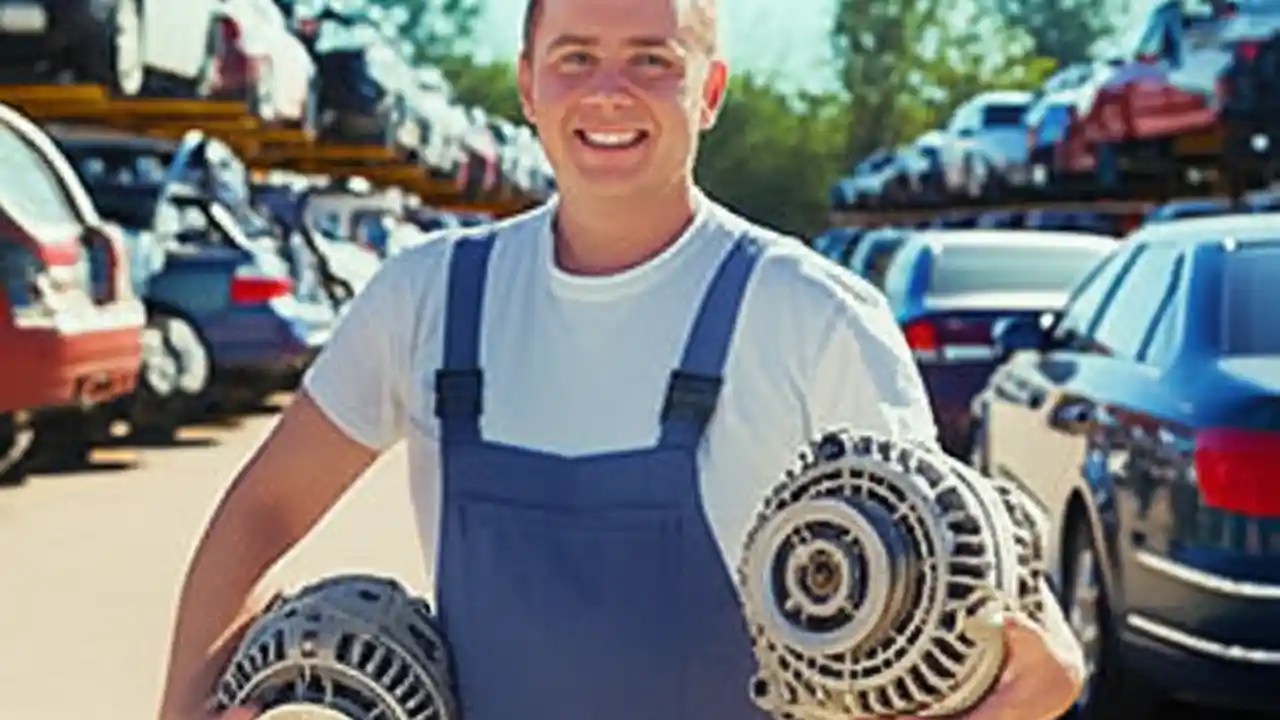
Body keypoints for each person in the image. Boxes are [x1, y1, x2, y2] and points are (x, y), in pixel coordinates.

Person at [158, 0, 1087, 718]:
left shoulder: (813, 317)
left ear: (709, 92)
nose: (609, 91)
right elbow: (264, 508)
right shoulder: (428, 297)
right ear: (528, 86)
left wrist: (1047, 670)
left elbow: (953, 576)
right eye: (575, 59)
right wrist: (189, 706)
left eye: (652, 60)